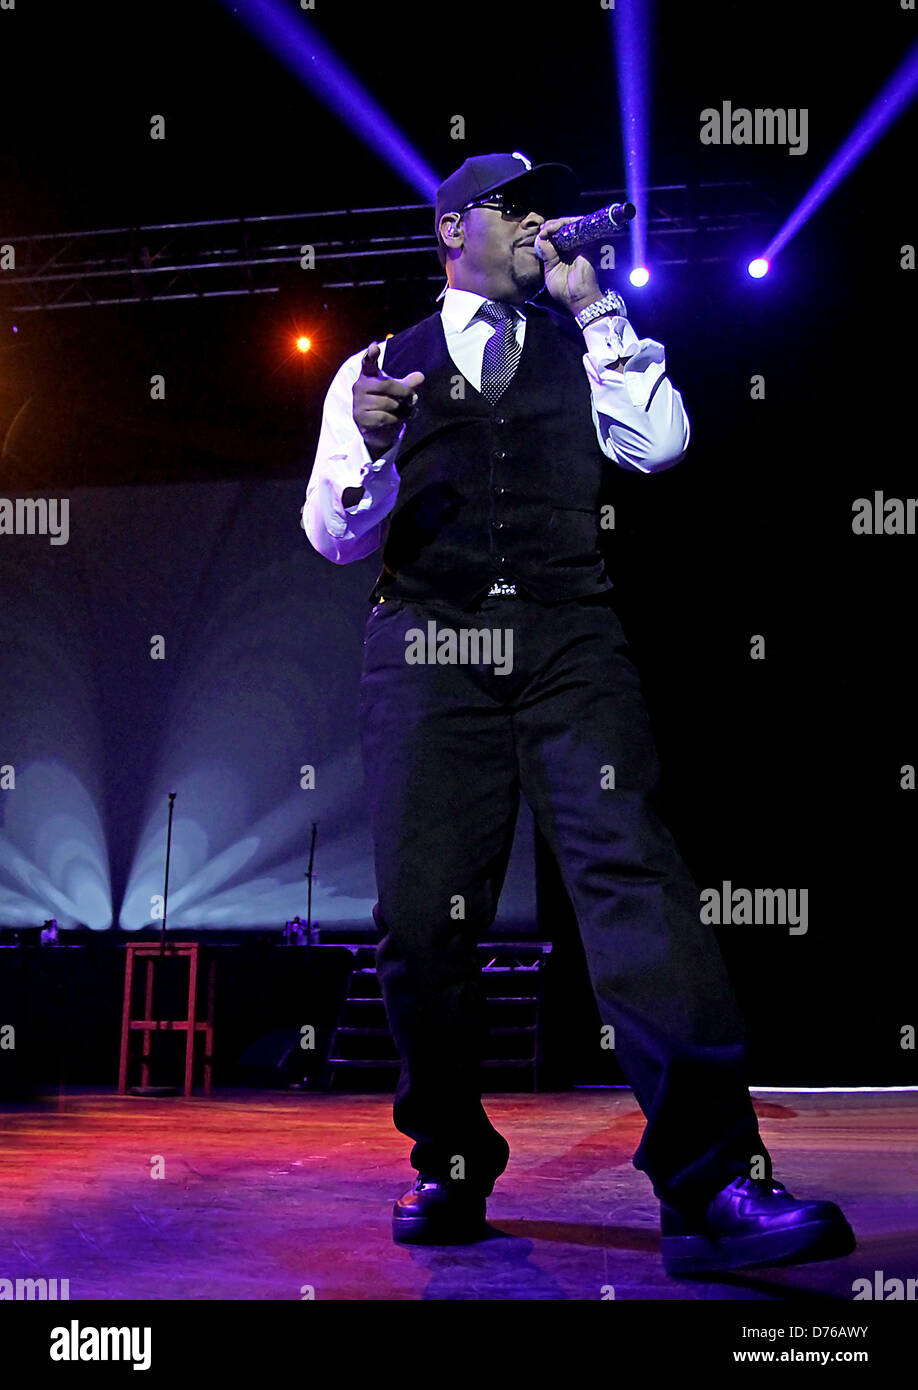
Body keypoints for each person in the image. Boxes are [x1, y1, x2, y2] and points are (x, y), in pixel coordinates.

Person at [302, 151, 855, 1275]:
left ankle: (713, 1184)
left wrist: (596, 302)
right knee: (422, 922)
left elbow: (663, 446)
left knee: (635, 883)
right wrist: (370, 444)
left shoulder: (580, 333)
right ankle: (450, 1159)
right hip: (427, 649)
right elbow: (332, 534)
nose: (535, 220)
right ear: (455, 227)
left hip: (568, 639)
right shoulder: (374, 366)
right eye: (513, 205)